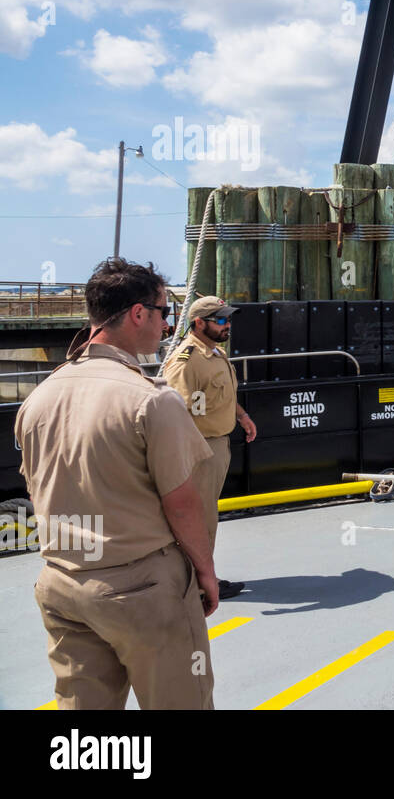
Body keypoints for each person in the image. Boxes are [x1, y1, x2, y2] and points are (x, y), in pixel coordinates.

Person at [15, 258, 219, 709]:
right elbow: (182, 503)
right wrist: (205, 572)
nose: (168, 326)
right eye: (165, 313)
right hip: (141, 590)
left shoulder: (39, 398)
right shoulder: (152, 401)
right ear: (138, 314)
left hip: (62, 585)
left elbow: (38, 490)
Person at [162, 295, 257, 600]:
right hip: (198, 451)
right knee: (199, 519)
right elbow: (175, 413)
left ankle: (202, 578)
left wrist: (240, 415)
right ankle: (200, 585)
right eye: (220, 320)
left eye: (228, 319)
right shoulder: (187, 361)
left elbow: (216, 397)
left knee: (207, 516)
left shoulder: (214, 353)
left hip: (217, 445)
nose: (227, 325)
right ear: (199, 323)